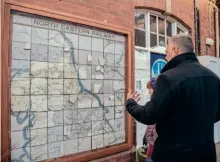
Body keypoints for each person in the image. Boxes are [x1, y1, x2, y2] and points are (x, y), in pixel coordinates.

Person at [126, 34, 220, 162]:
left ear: (175, 50)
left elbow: (149, 115)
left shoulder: (168, 78)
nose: (165, 57)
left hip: (172, 154)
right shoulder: (213, 77)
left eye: (166, 52)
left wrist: (130, 103)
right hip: (206, 154)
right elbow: (216, 114)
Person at [143, 78, 158, 162]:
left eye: (150, 89)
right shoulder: (153, 102)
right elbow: (151, 123)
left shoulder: (159, 104)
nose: (149, 92)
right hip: (151, 143)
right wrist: (146, 135)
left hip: (155, 144)